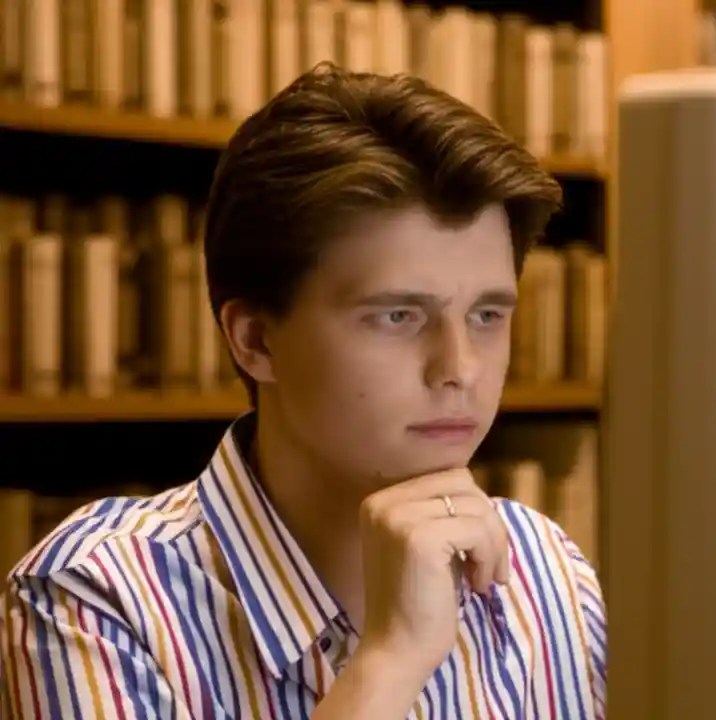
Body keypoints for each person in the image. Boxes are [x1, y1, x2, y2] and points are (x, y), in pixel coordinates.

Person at [0, 64, 605, 719]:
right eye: (398, 316)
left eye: (488, 315)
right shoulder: (94, 597)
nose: (459, 367)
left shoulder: (546, 573)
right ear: (256, 340)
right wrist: (390, 661)